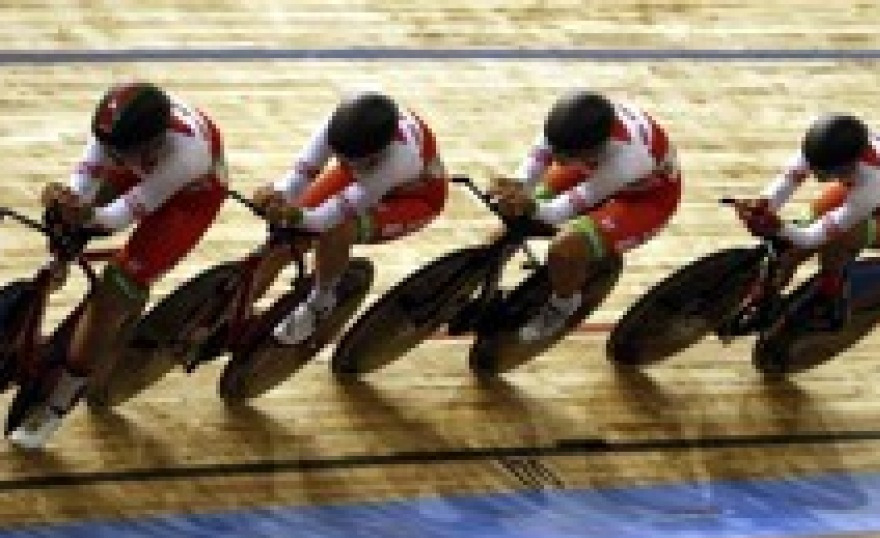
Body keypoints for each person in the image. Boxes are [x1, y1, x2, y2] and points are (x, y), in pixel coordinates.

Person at [11, 82, 228, 448]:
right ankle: (57, 269)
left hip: (190, 198)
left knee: (114, 290)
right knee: (67, 217)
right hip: (143, 162)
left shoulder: (187, 155)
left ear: (154, 141)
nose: (110, 154)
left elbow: (117, 217)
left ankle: (60, 401)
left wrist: (86, 214)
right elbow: (85, 181)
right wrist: (68, 203)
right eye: (108, 148)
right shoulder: (114, 129)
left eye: (118, 151)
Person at [251, 92, 448, 345]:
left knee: (337, 230)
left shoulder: (400, 160)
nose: (343, 161)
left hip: (416, 198)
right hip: (366, 177)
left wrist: (294, 214)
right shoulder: (338, 127)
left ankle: (320, 303)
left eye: (352, 160)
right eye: (340, 156)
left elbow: (324, 220)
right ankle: (236, 308)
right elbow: (298, 179)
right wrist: (277, 196)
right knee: (285, 240)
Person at [488, 90, 682, 342]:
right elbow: (535, 165)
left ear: (594, 147)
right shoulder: (566, 125)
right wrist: (517, 186)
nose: (558, 159)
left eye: (565, 154)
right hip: (592, 168)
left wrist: (530, 206)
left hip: (646, 201)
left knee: (565, 248)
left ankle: (563, 305)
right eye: (556, 150)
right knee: (511, 221)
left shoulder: (630, 158)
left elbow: (559, 211)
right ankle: (481, 286)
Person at [732, 113, 880, 332]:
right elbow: (789, 179)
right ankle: (763, 297)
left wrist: (778, 227)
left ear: (849, 166)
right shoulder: (822, 144)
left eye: (824, 173)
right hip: (864, 190)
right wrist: (764, 205)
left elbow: (812, 238)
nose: (817, 177)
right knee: (790, 245)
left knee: (839, 239)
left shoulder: (876, 182)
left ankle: (831, 297)